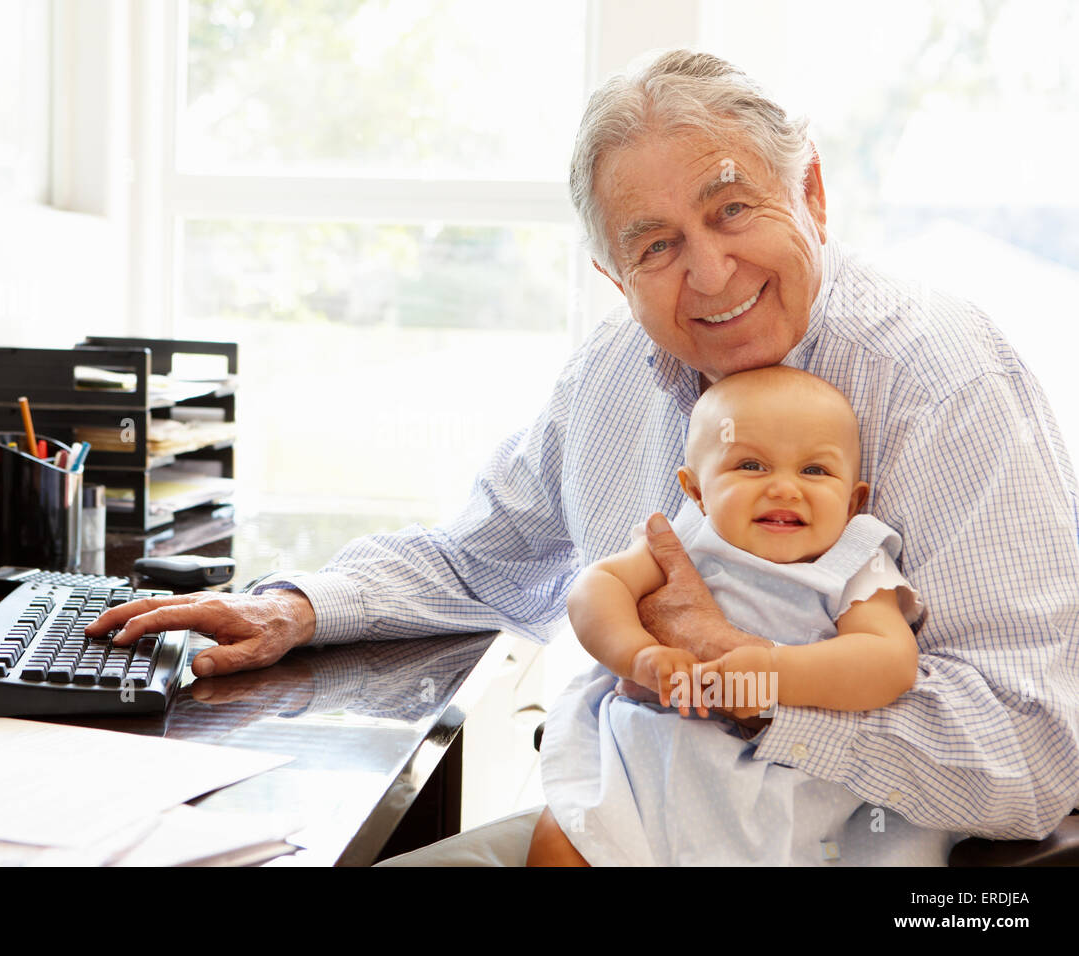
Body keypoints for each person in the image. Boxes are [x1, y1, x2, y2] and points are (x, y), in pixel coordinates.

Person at [87, 49, 1079, 864]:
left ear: (810, 190)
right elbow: (479, 558)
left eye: (732, 209)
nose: (709, 269)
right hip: (638, 823)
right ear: (613, 274)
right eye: (654, 245)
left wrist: (752, 687)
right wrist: (291, 606)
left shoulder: (941, 377)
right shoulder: (616, 369)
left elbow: (1038, 748)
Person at [526, 365, 929, 866]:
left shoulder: (856, 562)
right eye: (751, 466)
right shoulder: (688, 539)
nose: (784, 488)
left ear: (853, 501)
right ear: (696, 490)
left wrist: (771, 671)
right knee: (561, 837)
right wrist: (638, 654)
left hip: (778, 782)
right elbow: (595, 588)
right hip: (645, 754)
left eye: (815, 471)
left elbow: (889, 661)